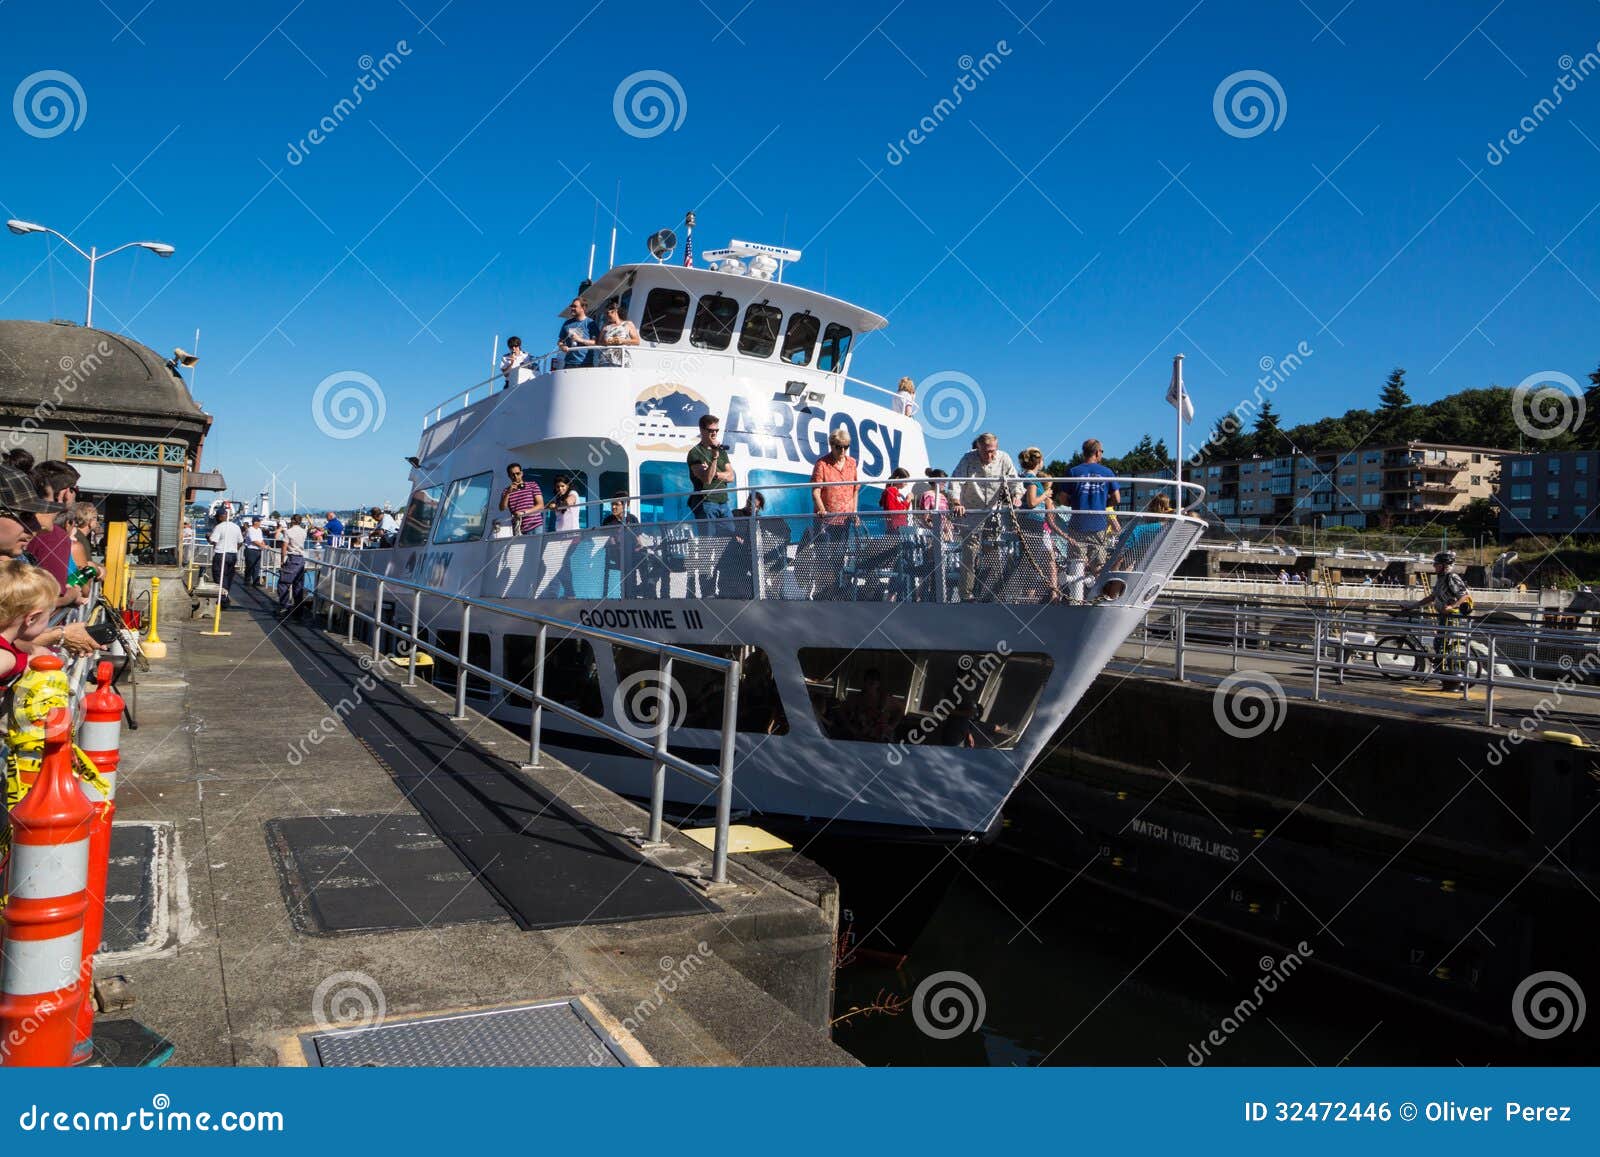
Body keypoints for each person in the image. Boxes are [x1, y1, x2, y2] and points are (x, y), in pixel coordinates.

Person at [951, 433, 1020, 601]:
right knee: (970, 552)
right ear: (978, 448)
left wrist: (1016, 495)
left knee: (992, 550)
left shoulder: (1004, 458)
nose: (990, 455)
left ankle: (990, 593)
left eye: (993, 451)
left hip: (993, 512)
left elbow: (1014, 481)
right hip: (970, 511)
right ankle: (966, 594)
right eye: (986, 451)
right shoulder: (968, 459)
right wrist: (956, 502)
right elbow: (955, 481)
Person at [0, 560, 67, 692]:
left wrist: (25, 662)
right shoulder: (6, 657)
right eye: (50, 612)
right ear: (32, 618)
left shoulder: (9, 648)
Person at [26, 460, 83, 607]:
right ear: (65, 493)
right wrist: (73, 594)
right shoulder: (55, 536)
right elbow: (54, 596)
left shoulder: (22, 526)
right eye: (75, 489)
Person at [1413, 549, 1472, 690]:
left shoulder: (1451, 577)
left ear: (1445, 566)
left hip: (1452, 616)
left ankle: (1451, 676)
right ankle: (1441, 672)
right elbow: (1432, 597)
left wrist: (1452, 607)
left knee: (1444, 645)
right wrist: (1413, 605)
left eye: (1437, 564)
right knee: (1440, 643)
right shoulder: (1441, 578)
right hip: (1443, 616)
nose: (1434, 566)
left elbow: (1464, 595)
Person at [1062, 439, 1120, 577]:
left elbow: (1063, 498)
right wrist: (1104, 504)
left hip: (1077, 524)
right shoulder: (1107, 472)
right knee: (1099, 565)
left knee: (1076, 564)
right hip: (1099, 525)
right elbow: (1117, 498)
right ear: (1097, 452)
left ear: (1084, 453)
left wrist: (1075, 502)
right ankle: (1098, 590)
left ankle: (1077, 591)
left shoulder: (1073, 472)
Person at [687, 414, 733, 520]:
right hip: (706, 503)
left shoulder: (722, 451)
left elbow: (731, 477)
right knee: (708, 532)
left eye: (717, 430)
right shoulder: (695, 453)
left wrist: (715, 474)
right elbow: (707, 479)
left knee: (731, 530)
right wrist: (714, 458)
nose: (714, 433)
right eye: (711, 430)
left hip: (723, 502)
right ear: (702, 430)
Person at [208, 510, 243, 606]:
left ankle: (223, 599)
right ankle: (225, 596)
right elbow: (240, 541)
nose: (215, 519)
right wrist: (235, 549)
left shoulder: (219, 527)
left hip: (221, 554)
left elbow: (213, 541)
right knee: (228, 577)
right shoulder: (236, 526)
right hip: (232, 555)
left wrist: (208, 537)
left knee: (219, 576)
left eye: (216, 517)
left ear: (220, 517)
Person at [276, 514, 308, 616]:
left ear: (293, 521)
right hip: (301, 559)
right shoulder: (304, 532)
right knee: (298, 585)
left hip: (292, 558)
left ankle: (284, 607)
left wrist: (282, 560)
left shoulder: (288, 532)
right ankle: (298, 609)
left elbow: (284, 547)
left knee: (283, 583)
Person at [498, 463, 544, 534]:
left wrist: (523, 513)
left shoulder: (533, 485)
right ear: (509, 476)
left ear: (521, 473)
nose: (515, 476)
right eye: (512, 474)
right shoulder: (506, 491)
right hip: (519, 528)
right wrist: (508, 493)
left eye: (517, 473)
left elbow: (541, 505)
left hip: (536, 525)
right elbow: (502, 508)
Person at [557, 296, 598, 368]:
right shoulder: (567, 323)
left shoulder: (590, 323)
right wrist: (562, 346)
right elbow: (560, 341)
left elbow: (596, 342)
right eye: (571, 306)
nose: (572, 308)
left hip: (586, 363)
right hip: (569, 363)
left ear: (583, 308)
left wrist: (580, 340)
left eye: (575, 306)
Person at [597, 299, 640, 367]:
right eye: (606, 314)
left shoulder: (628, 324)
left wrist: (623, 341)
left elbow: (637, 341)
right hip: (605, 360)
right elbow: (599, 342)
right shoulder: (605, 327)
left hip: (622, 360)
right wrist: (606, 342)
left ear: (615, 311)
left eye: (608, 313)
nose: (607, 315)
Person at [243, 516, 267, 586]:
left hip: (258, 550)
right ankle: (247, 581)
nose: (260, 523)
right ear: (255, 522)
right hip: (250, 550)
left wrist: (264, 544)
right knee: (250, 566)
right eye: (259, 521)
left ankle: (255, 581)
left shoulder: (259, 530)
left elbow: (261, 539)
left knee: (257, 566)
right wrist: (263, 546)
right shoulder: (250, 530)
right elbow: (253, 540)